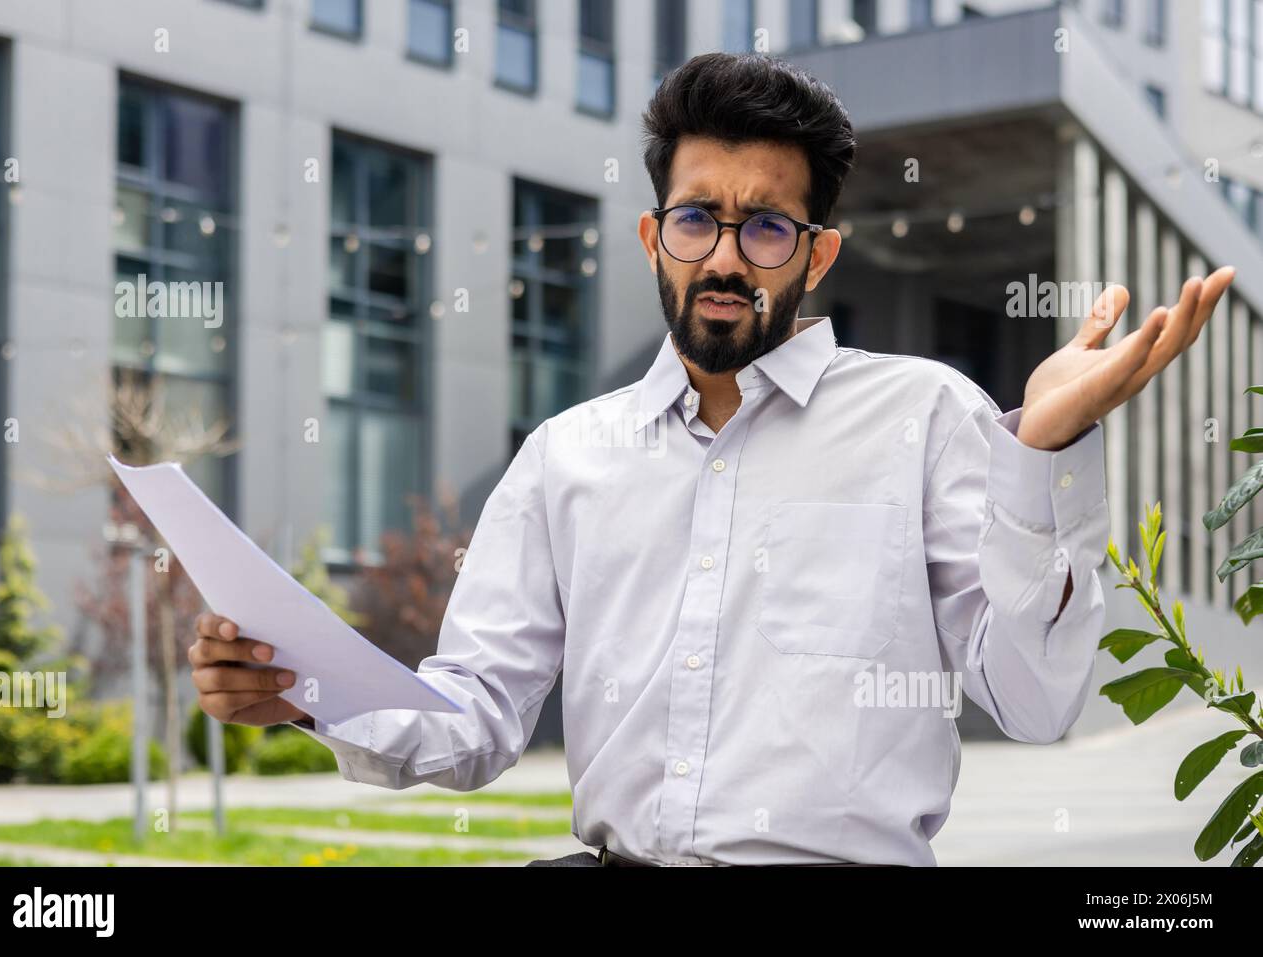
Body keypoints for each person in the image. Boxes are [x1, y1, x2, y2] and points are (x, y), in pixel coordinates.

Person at [189, 52, 1235, 867]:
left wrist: (1042, 454)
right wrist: (304, 691)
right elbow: (475, 720)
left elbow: (1039, 701)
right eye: (698, 219)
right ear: (654, 237)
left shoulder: (921, 418)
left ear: (817, 254)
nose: (726, 257)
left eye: (767, 228)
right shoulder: (567, 457)